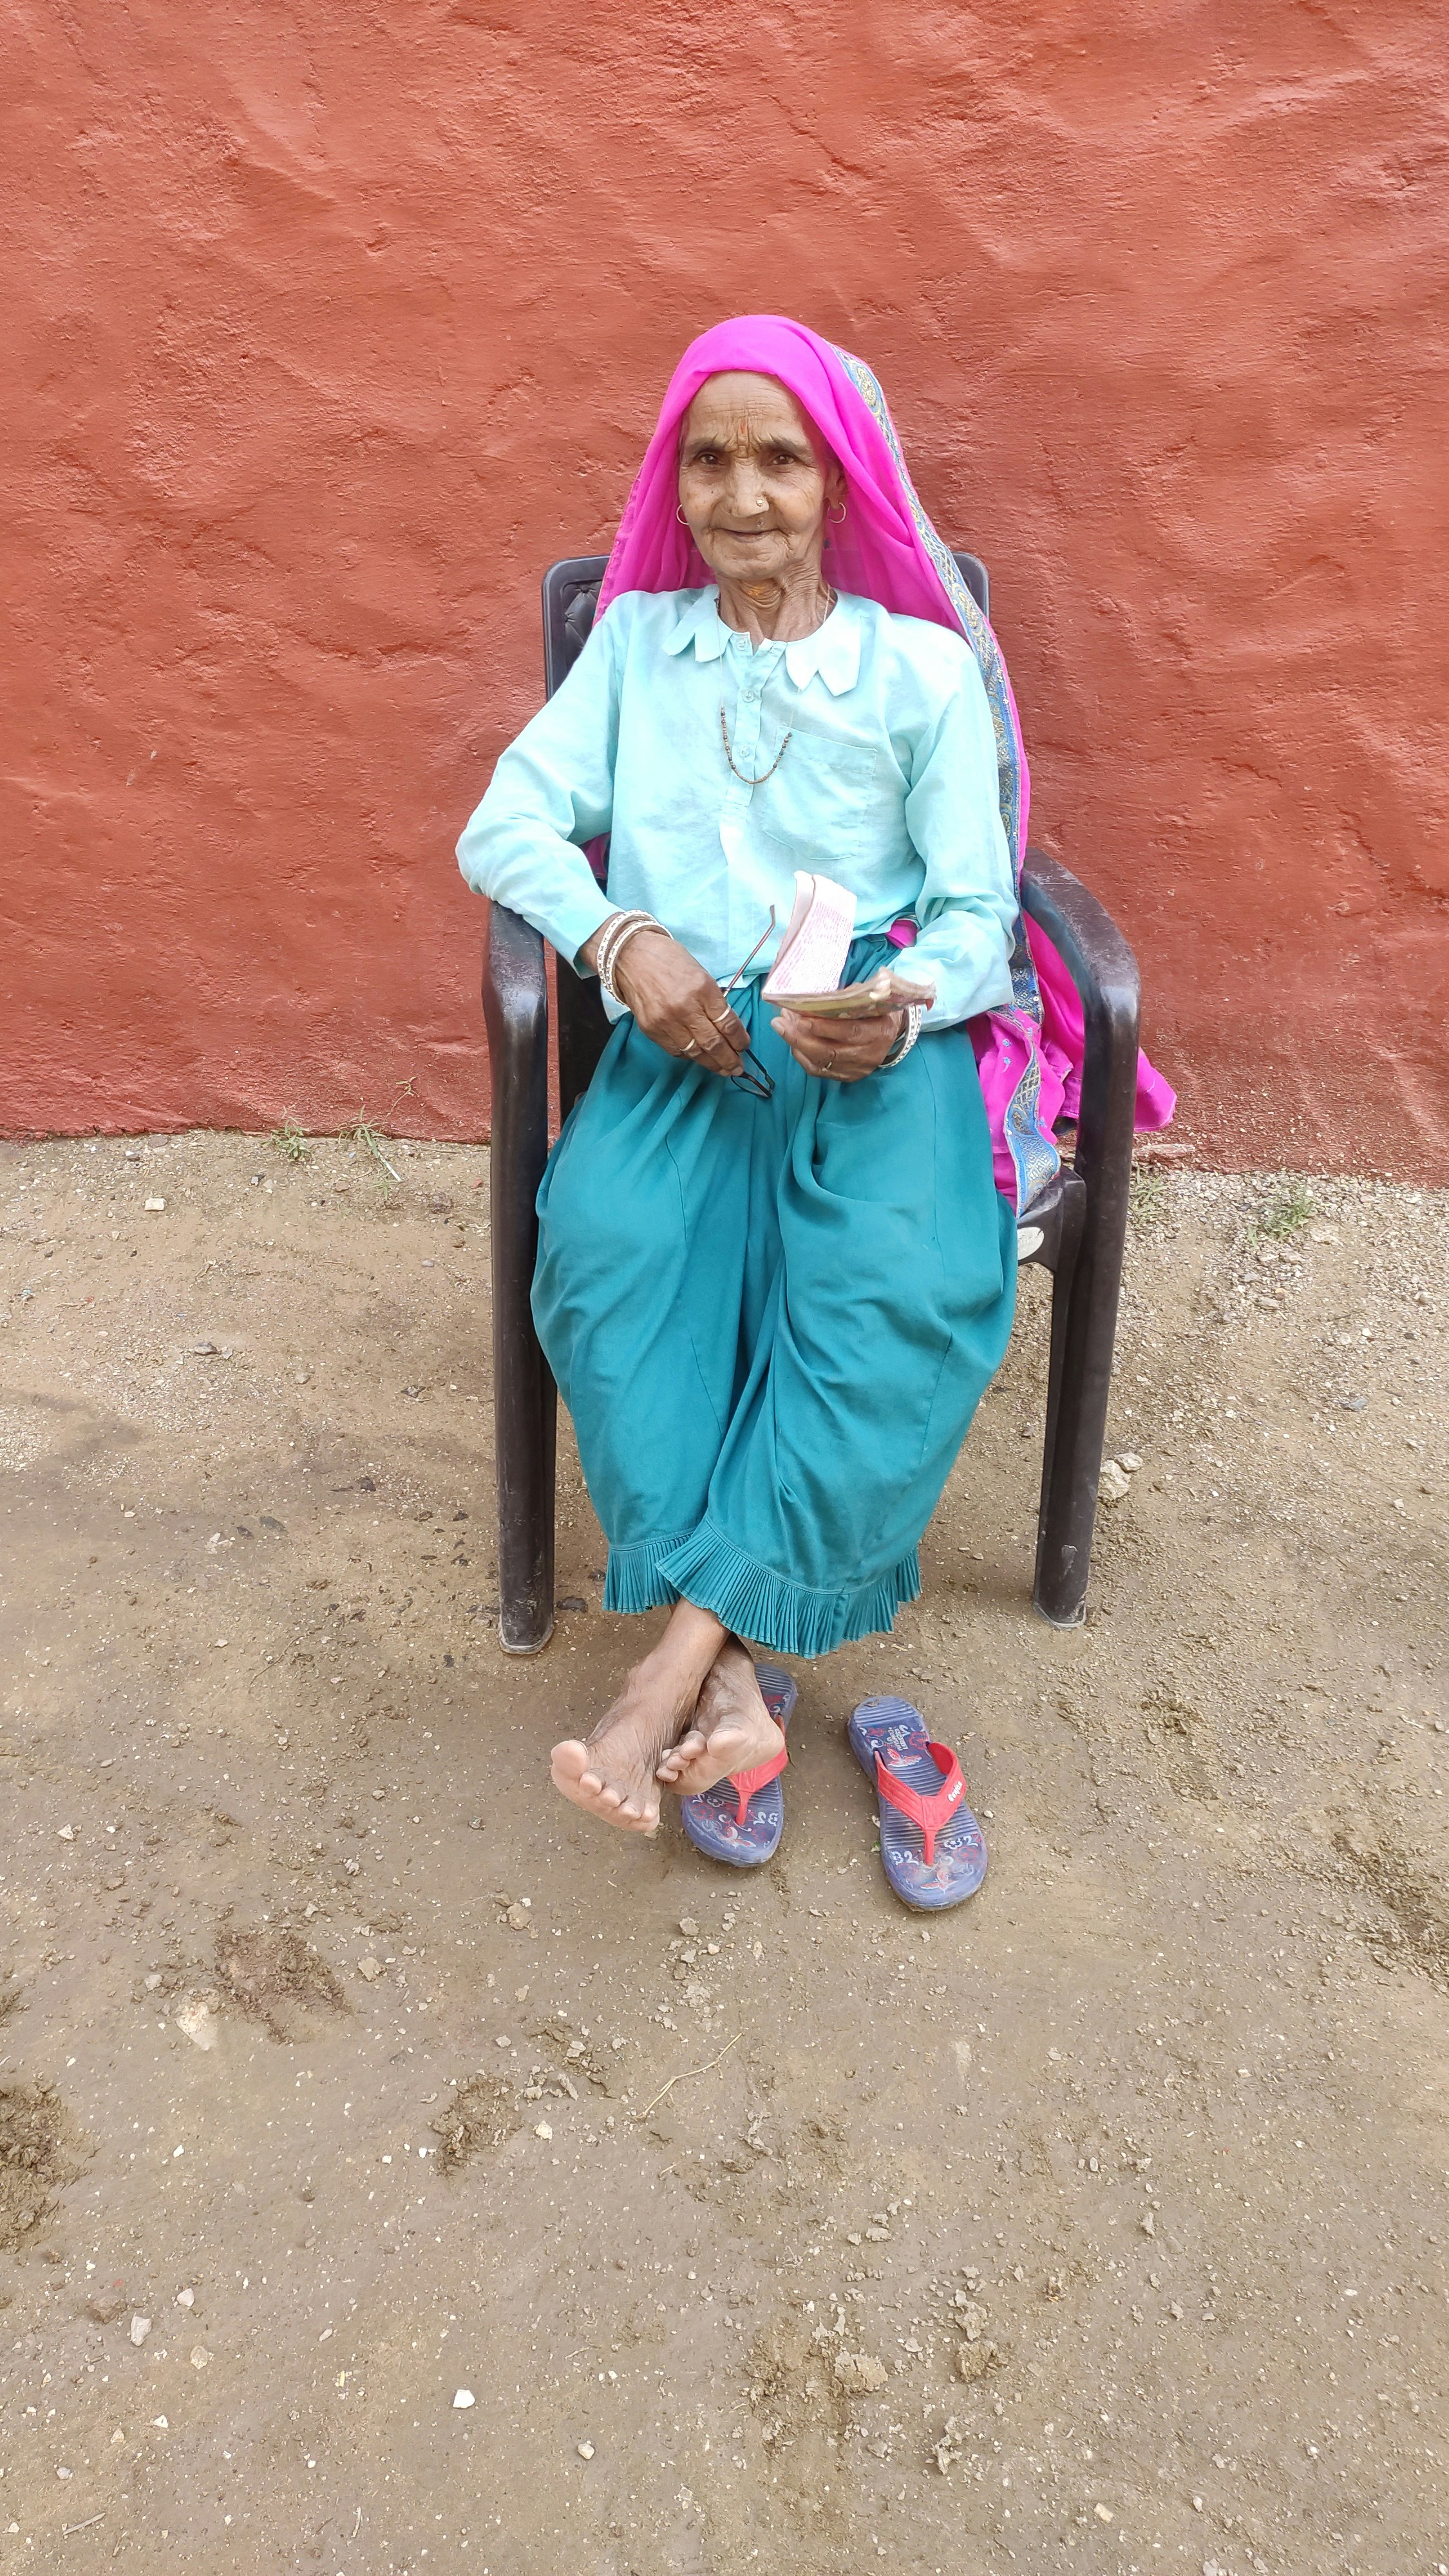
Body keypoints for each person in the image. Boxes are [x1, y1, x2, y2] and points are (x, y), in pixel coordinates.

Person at [457, 316, 1048, 1902]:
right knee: (604, 1251)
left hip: (870, 1046)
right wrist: (620, 937)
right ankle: (728, 1673)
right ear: (679, 477)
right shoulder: (637, 649)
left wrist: (904, 1003)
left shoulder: (917, 670)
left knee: (905, 1293)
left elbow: (980, 911)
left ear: (838, 482)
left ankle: (684, 1667)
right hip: (691, 1030)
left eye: (781, 457)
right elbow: (506, 821)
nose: (744, 493)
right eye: (709, 458)